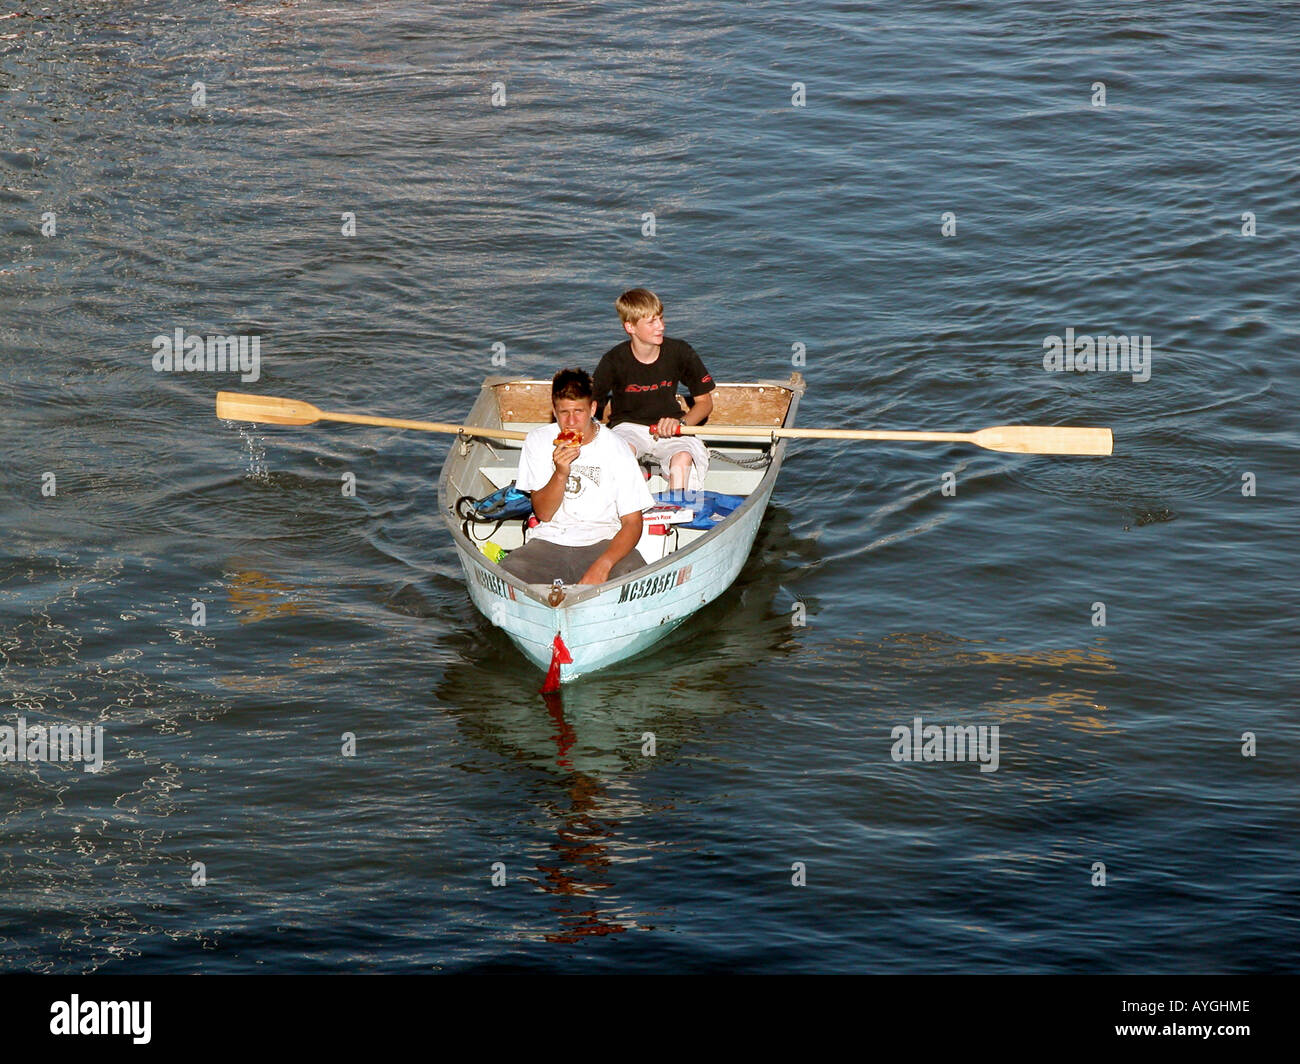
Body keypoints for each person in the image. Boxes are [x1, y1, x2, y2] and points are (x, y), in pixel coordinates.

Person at [501, 368, 654, 586]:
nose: (571, 421)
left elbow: (632, 522)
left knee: (635, 576)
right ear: (554, 411)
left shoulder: (617, 447)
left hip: (604, 541)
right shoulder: (538, 440)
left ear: (592, 408)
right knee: (508, 574)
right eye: (564, 412)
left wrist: (602, 566)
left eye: (578, 411)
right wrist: (561, 472)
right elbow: (543, 513)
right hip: (549, 540)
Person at [592, 288, 716, 498]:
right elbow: (591, 407)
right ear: (630, 327)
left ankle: (677, 510)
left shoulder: (680, 352)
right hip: (628, 428)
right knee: (623, 452)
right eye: (651, 322)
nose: (661, 326)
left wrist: (681, 424)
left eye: (660, 318)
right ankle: (629, 510)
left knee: (683, 457)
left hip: (673, 429)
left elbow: (705, 403)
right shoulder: (613, 360)